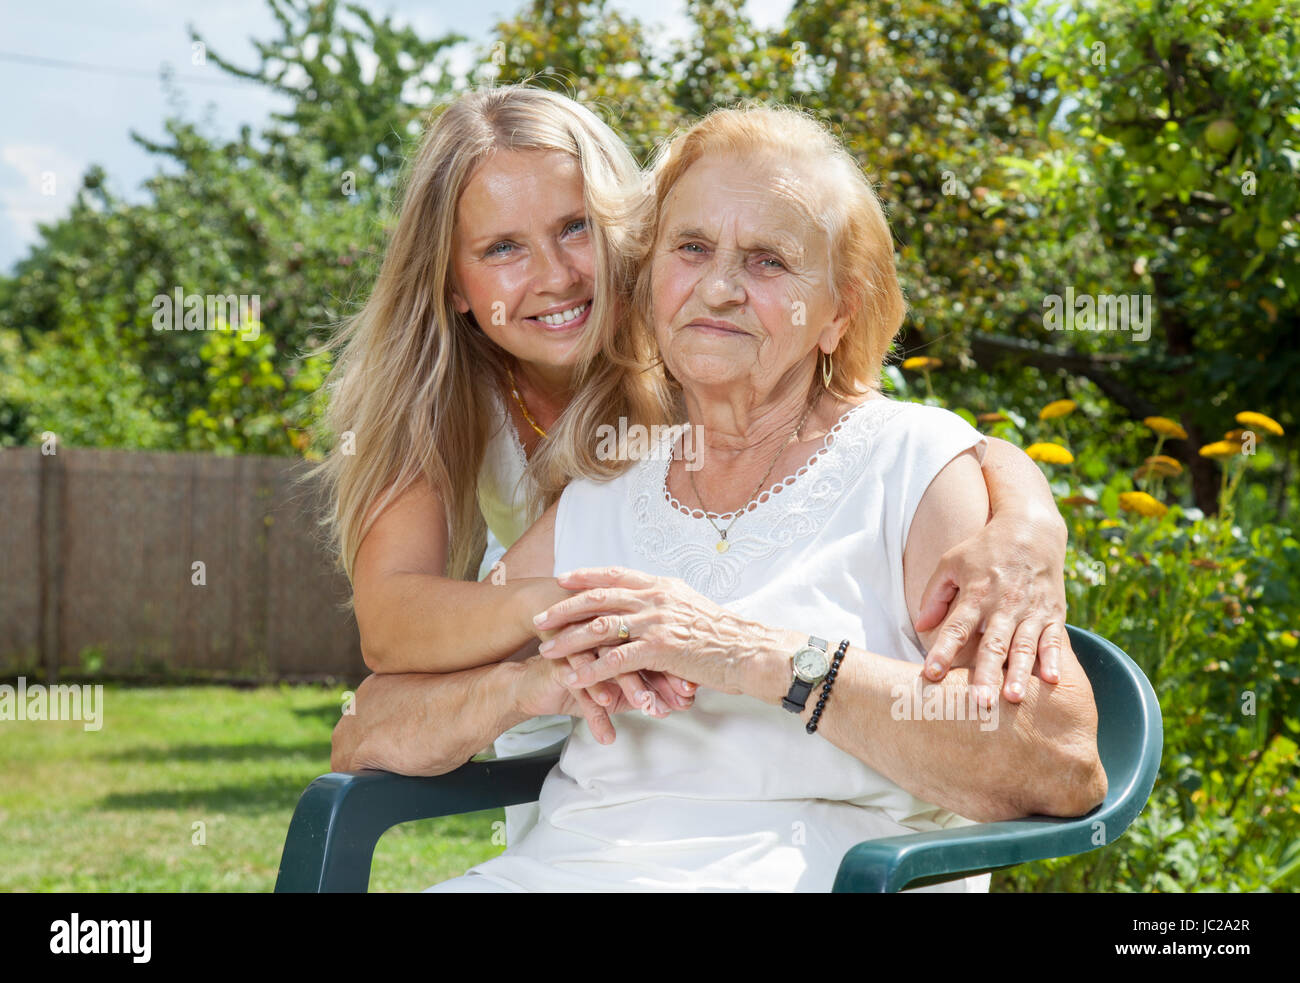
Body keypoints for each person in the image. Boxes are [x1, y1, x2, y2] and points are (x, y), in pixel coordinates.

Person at [334, 102, 1106, 892]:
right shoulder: (606, 489)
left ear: (840, 311)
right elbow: (364, 726)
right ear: (653, 278)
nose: (720, 288)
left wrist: (757, 656)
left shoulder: (911, 465)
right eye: (692, 248)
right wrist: (529, 683)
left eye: (768, 260)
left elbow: (1058, 760)